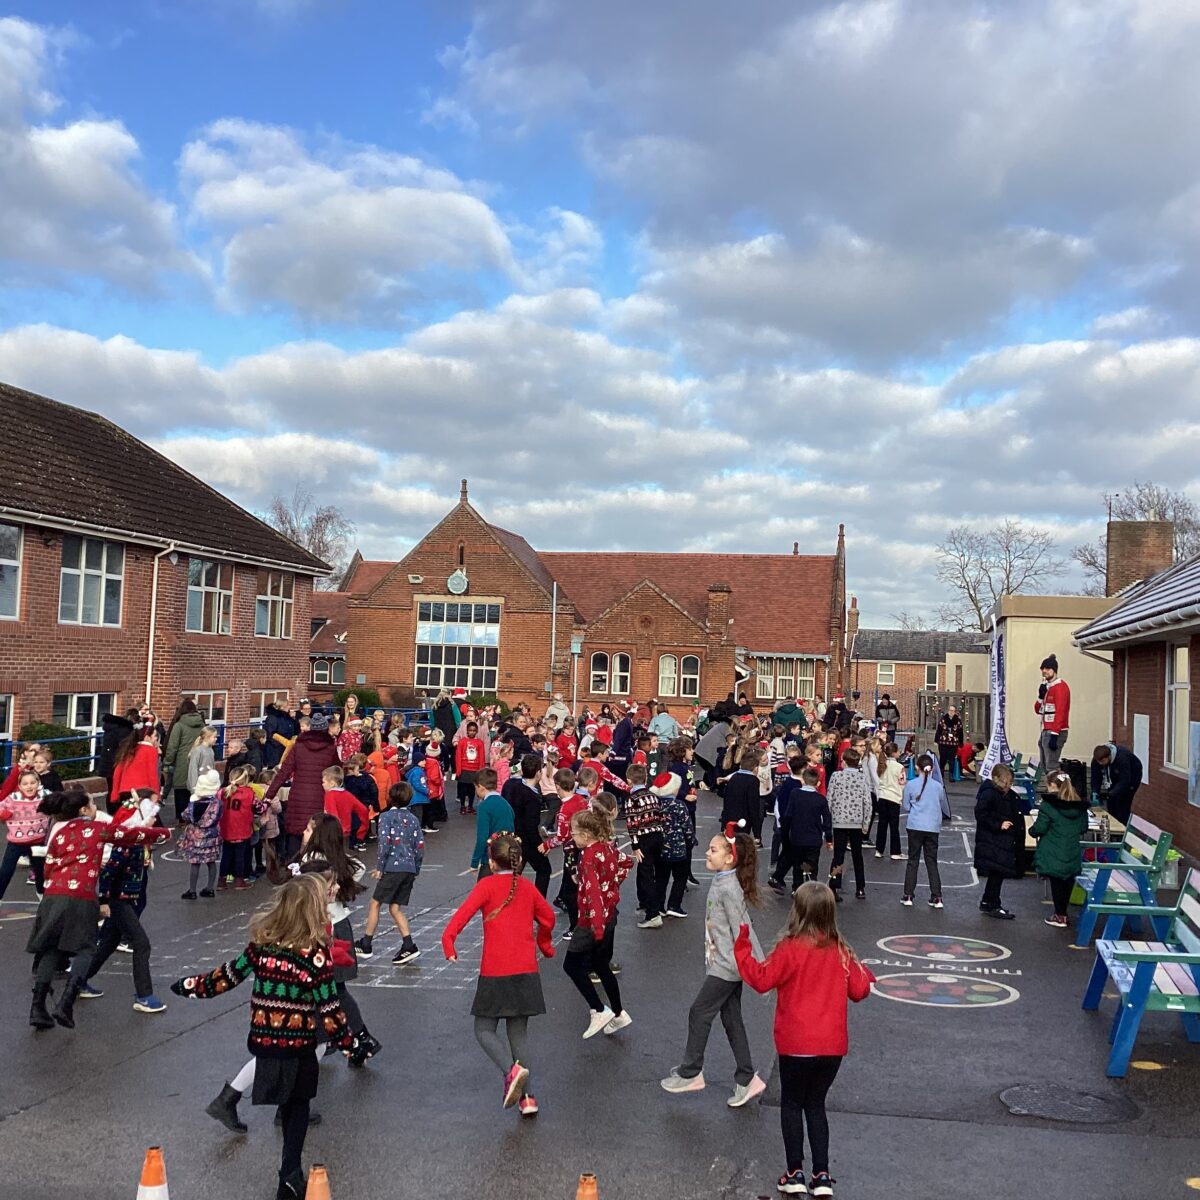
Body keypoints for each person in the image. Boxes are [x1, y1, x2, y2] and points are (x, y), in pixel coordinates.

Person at [172, 874, 352, 1200]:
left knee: (286, 1100)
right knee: (297, 1109)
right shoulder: (314, 955)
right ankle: (289, 1174)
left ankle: (283, 1165)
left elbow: (227, 976)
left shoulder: (261, 946)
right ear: (313, 910)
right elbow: (329, 1006)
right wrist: (348, 1042)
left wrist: (190, 987)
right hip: (298, 1044)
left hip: (265, 1042)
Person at [735, 882, 875, 1197]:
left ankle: (794, 1170)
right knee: (816, 1104)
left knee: (792, 1103)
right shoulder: (840, 949)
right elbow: (859, 991)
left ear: (797, 911)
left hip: (796, 1043)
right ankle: (822, 1174)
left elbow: (761, 979)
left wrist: (742, 946)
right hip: (831, 1046)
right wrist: (863, 971)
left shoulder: (791, 948)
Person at [27, 789, 170, 1030]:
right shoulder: (96, 829)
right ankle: (66, 1002)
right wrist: (162, 833)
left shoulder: (60, 831)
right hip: (81, 894)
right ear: (83, 810)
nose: (96, 808)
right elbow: (130, 834)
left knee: (51, 948)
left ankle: (38, 1006)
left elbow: (49, 865)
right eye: (93, 804)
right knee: (84, 948)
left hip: (53, 895)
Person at [442, 831, 556, 1118]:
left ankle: (511, 1070)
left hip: (495, 969)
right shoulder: (527, 887)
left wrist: (449, 942)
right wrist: (544, 943)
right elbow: (548, 917)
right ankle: (528, 1098)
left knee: (483, 1029)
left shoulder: (487, 886)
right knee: (518, 1034)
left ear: (492, 862)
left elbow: (462, 915)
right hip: (526, 968)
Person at [661, 824, 766, 1107]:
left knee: (699, 1012)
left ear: (730, 857)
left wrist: (761, 968)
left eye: (713, 849)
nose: (706, 853)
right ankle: (747, 1078)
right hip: (722, 961)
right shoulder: (722, 879)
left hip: (728, 965)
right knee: (731, 1019)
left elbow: (744, 928)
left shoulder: (730, 888)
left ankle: (691, 1072)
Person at [79, 791, 169, 1013]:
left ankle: (78, 980)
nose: (153, 822)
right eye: (149, 819)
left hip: (128, 899)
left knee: (109, 941)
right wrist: (104, 901)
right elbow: (109, 873)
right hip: (119, 900)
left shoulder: (139, 845)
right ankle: (144, 995)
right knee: (141, 943)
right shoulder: (127, 845)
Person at [562, 808, 633, 1039]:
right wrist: (612, 887)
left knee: (571, 966)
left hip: (592, 920)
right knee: (601, 965)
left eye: (574, 834)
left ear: (585, 835)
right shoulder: (607, 848)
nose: (571, 837)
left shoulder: (589, 857)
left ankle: (598, 1009)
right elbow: (626, 863)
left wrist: (597, 924)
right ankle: (619, 1012)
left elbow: (592, 892)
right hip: (609, 914)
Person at [355, 781, 424, 964]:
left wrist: (380, 867)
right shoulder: (413, 819)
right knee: (394, 908)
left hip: (393, 866)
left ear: (389, 798)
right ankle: (408, 945)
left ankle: (366, 943)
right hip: (409, 867)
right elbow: (419, 847)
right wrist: (416, 868)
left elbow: (384, 844)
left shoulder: (385, 817)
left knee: (375, 903)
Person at [264, 712, 340, 858]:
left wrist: (269, 795)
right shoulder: (330, 749)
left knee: (295, 833)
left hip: (298, 796)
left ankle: (292, 867)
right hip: (319, 795)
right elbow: (337, 771)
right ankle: (313, 869)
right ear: (325, 730)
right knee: (316, 833)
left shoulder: (298, 746)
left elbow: (283, 772)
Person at [1030, 770, 1089, 929]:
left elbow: (1040, 828)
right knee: (1067, 880)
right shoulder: (1080, 805)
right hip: (1071, 850)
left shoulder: (1049, 805)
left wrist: (1032, 831)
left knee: (1056, 882)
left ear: (1053, 786)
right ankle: (1063, 914)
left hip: (1053, 849)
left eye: (1048, 785)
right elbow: (1084, 827)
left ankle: (1060, 914)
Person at [900, 754, 951, 908]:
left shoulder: (911, 784)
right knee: (931, 861)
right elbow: (940, 803)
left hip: (915, 825)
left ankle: (908, 895)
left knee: (913, 860)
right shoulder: (937, 786)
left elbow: (907, 806)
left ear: (917, 767)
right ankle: (937, 896)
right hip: (932, 827)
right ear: (932, 768)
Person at [974, 763, 1022, 919]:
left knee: (997, 873)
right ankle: (993, 903)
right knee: (997, 872)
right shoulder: (991, 794)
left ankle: (989, 901)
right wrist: (999, 825)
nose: (1009, 786)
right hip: (994, 840)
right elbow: (981, 814)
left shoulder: (997, 793)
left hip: (996, 840)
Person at [625, 763, 669, 928]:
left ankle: (652, 913)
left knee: (646, 875)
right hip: (657, 835)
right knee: (658, 873)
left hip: (643, 839)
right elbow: (662, 817)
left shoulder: (632, 800)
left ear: (629, 781)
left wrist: (635, 846)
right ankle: (657, 905)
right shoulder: (653, 796)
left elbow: (632, 824)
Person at [826, 748, 872, 902]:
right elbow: (867, 802)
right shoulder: (862, 778)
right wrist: (866, 822)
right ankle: (860, 888)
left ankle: (833, 885)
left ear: (843, 761)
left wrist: (828, 820)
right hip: (856, 822)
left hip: (839, 821)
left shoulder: (836, 776)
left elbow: (829, 798)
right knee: (857, 855)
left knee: (838, 855)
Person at [504, 753, 551, 897]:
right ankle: (538, 903)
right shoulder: (532, 798)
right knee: (544, 869)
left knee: (515, 871)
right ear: (538, 773)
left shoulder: (511, 784)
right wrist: (541, 845)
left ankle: (508, 898)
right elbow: (531, 826)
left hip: (510, 835)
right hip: (525, 839)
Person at [0, 768, 49, 897]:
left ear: (38, 783)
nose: (29, 786)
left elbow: (60, 803)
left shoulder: (46, 795)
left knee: (41, 873)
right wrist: (3, 814)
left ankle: (42, 898)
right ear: (20, 786)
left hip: (38, 842)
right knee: (6, 871)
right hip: (16, 842)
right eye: (25, 784)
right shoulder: (13, 798)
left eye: (33, 783)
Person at [655, 772, 694, 919]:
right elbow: (687, 826)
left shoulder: (656, 805)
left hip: (660, 848)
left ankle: (659, 905)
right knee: (680, 877)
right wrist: (691, 840)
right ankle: (674, 905)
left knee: (660, 878)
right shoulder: (679, 805)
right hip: (678, 847)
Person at [179, 768, 223, 899]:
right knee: (211, 862)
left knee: (195, 863)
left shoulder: (193, 803)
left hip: (196, 834)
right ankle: (210, 888)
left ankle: (192, 890)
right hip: (212, 835)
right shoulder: (217, 803)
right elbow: (218, 816)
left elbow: (185, 815)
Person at [219, 765, 263, 890]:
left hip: (227, 829)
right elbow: (259, 809)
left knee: (226, 856)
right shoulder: (249, 793)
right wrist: (267, 804)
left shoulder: (224, 792)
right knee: (240, 856)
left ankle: (221, 880)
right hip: (242, 829)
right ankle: (240, 880)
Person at [163, 699, 205, 822]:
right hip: (199, 759)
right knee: (196, 788)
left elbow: (173, 746)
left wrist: (168, 761)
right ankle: (195, 815)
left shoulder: (179, 725)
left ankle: (182, 818)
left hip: (182, 761)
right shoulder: (201, 724)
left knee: (181, 789)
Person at [471, 768, 515, 880]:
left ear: (481, 787)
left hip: (490, 858)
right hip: (507, 855)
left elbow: (482, 838)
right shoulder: (506, 804)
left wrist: (475, 862)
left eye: (475, 787)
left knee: (483, 894)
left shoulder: (484, 806)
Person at [1091, 743, 1142, 826]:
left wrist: (1110, 794)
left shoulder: (1122, 758)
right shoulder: (1098, 759)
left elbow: (1125, 781)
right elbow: (1095, 778)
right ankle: (1112, 828)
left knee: (1122, 806)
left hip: (1132, 777)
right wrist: (1094, 792)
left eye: (1103, 761)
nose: (1100, 764)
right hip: (1114, 776)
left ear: (1109, 757)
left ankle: (1123, 829)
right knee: (1111, 806)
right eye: (1098, 762)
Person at [1035, 654, 1071, 773]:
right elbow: (1038, 710)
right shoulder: (1048, 687)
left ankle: (1058, 790)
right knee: (1046, 766)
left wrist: (1055, 734)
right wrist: (1040, 697)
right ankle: (1053, 788)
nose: (1044, 671)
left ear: (1054, 670)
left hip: (1054, 731)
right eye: (1042, 669)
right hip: (1046, 730)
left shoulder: (1060, 687)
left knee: (1052, 766)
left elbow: (1060, 711)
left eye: (1047, 668)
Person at [874, 742, 906, 860]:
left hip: (882, 797)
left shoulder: (881, 764)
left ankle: (879, 849)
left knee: (882, 825)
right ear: (894, 752)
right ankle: (895, 851)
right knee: (894, 826)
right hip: (894, 798)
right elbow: (902, 782)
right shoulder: (899, 767)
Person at [455, 720, 486, 814]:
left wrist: (481, 771)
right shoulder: (462, 742)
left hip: (475, 770)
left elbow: (482, 757)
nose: (471, 732)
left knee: (472, 790)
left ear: (476, 731)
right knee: (463, 790)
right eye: (470, 730)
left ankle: (470, 806)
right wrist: (458, 770)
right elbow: (458, 756)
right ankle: (462, 806)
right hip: (464, 769)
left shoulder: (479, 743)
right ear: (467, 731)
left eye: (473, 730)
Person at [935, 705, 964, 781]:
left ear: (955, 712)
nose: (951, 712)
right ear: (948, 711)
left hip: (953, 744)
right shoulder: (943, 720)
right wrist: (936, 740)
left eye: (953, 711)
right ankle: (941, 773)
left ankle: (951, 775)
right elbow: (939, 730)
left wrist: (961, 742)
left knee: (952, 760)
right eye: (950, 710)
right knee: (943, 759)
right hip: (943, 743)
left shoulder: (958, 721)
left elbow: (960, 732)